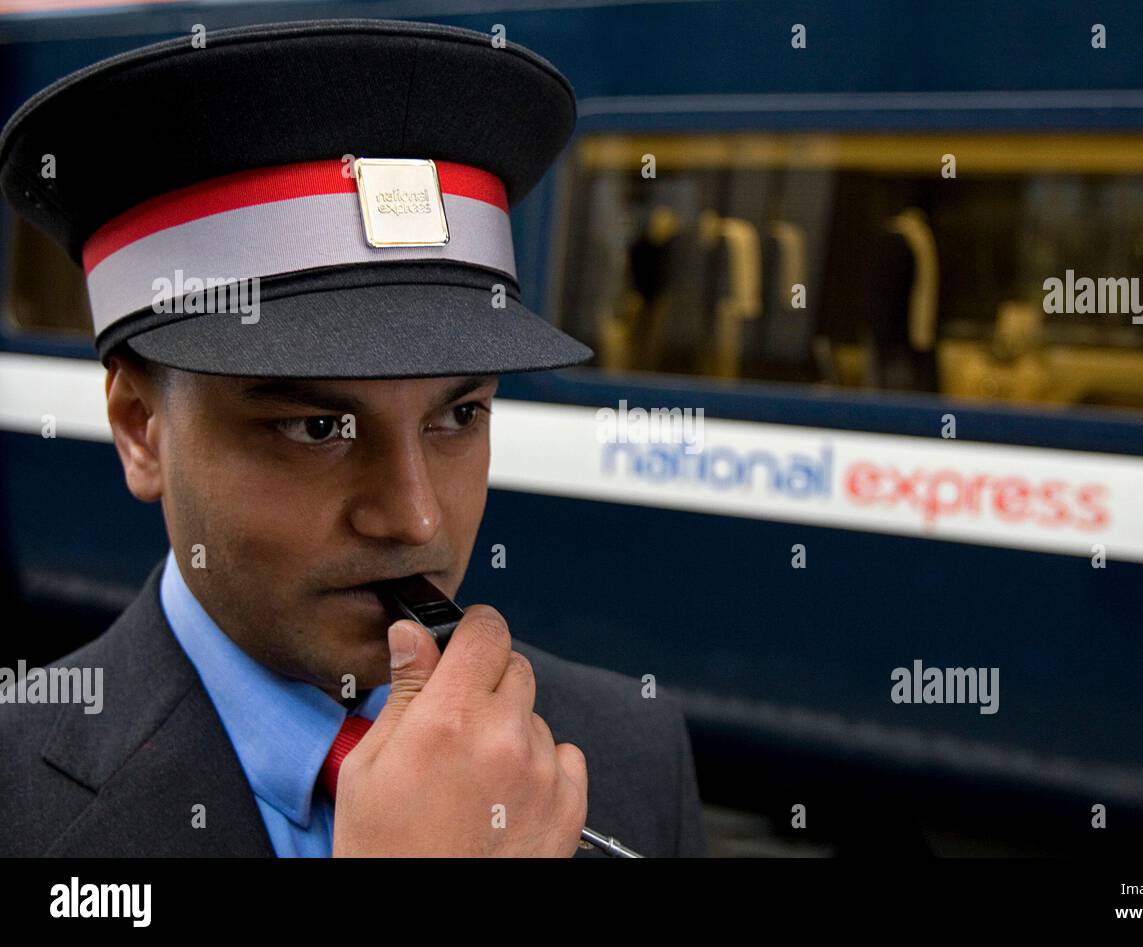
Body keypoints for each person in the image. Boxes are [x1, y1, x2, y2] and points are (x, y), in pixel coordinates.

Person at [0, 18, 708, 858]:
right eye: (316, 427)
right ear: (140, 428)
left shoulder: (630, 755)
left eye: (459, 415)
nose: (414, 519)